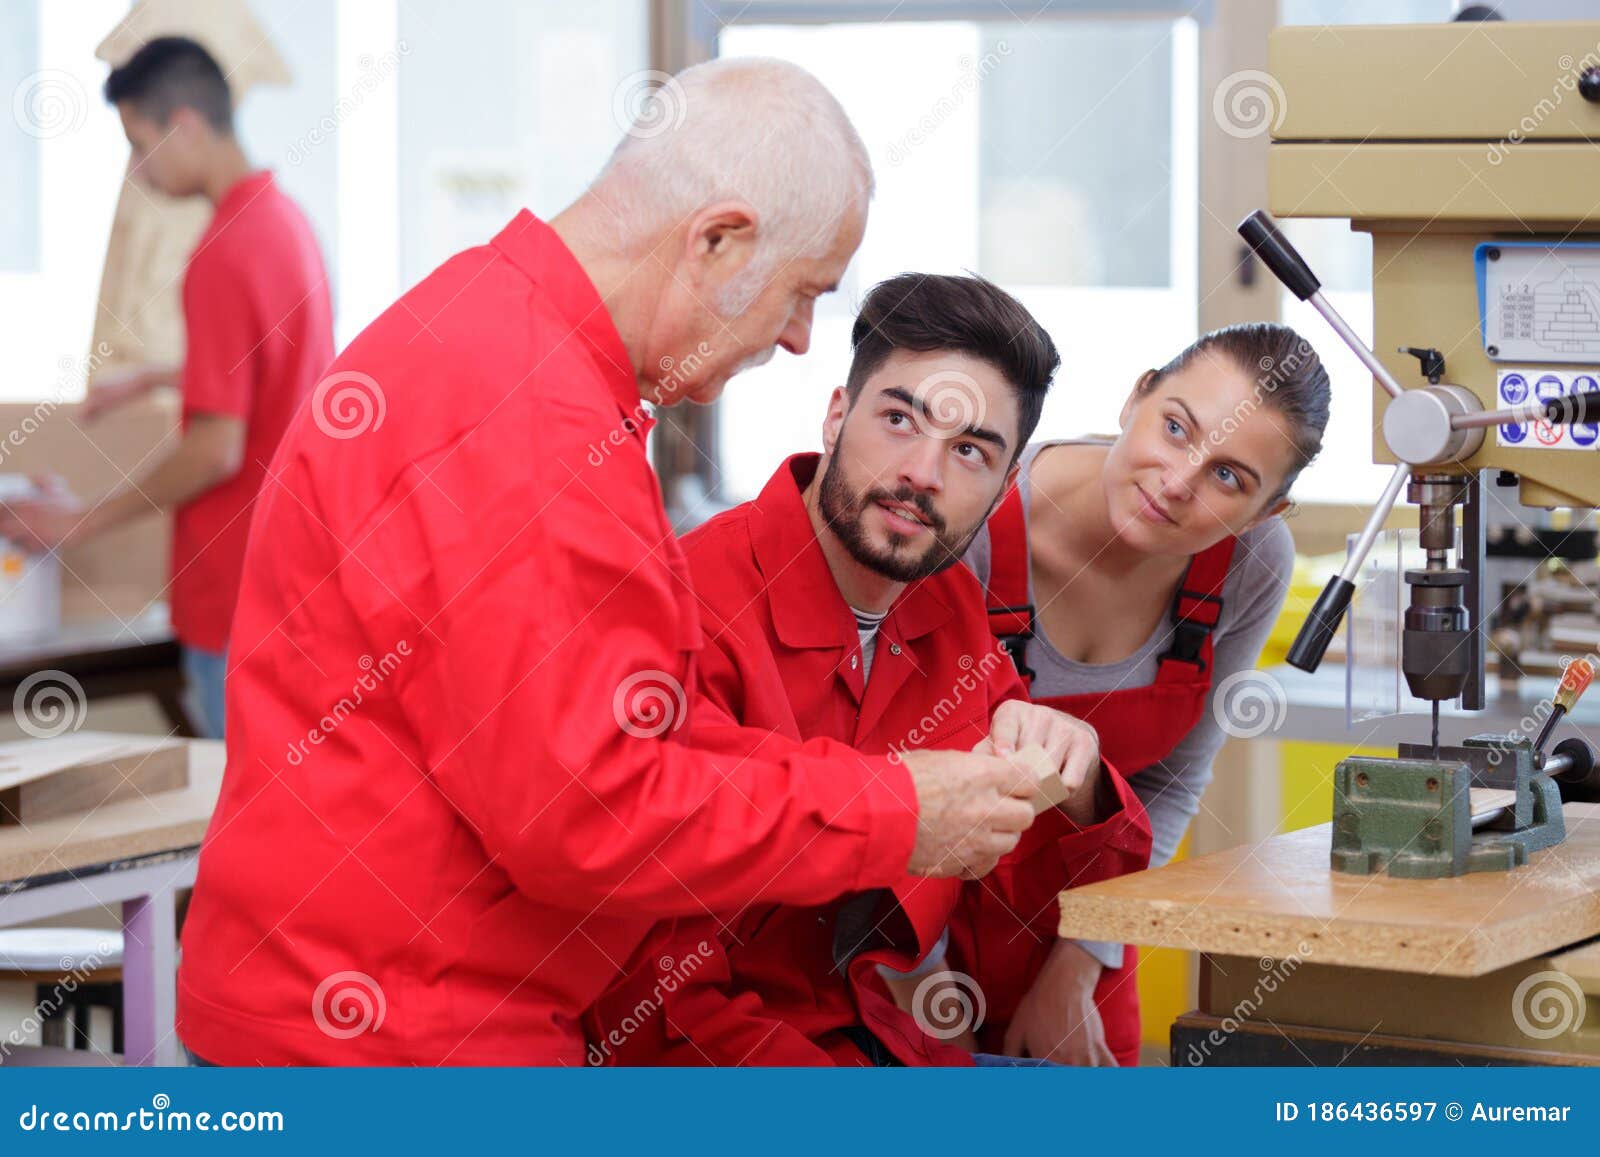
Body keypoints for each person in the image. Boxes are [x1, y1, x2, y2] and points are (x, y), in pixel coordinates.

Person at [172, 59, 1048, 1067]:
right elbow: (589, 813)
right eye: (802, 292)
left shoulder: (494, 327)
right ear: (718, 240)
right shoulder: (531, 427)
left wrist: (889, 787)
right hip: (393, 1039)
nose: (805, 338)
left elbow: (620, 735)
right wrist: (894, 811)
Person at [585, 273, 1151, 1066]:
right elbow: (643, 969)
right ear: (836, 414)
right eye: (898, 419)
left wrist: (1076, 776)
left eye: (970, 451)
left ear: (1001, 490)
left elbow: (1010, 887)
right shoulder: (689, 604)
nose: (923, 472)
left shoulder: (948, 603)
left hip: (887, 1043)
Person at [962, 322, 1332, 1065]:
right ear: (1136, 396)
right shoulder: (976, 513)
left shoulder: (1249, 565)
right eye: (1174, 428)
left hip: (1096, 935)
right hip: (920, 933)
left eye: (1229, 477)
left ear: (1266, 514)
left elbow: (1171, 780)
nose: (1176, 482)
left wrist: (1077, 963)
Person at [0, 37, 333, 740]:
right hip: (289, 583)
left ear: (182, 125)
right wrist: (152, 377)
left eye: (138, 143)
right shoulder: (285, 224)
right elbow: (273, 372)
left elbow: (217, 448)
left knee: (231, 815)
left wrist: (77, 520)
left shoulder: (222, 250)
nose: (136, 169)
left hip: (232, 591)